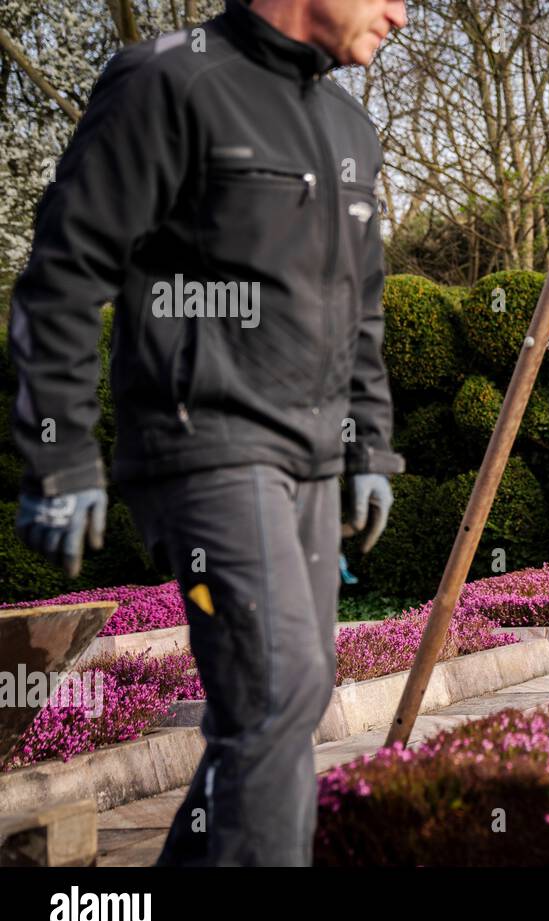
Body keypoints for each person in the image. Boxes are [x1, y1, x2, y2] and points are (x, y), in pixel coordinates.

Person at [7, 0, 408, 865]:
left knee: (276, 708)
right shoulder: (170, 81)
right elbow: (65, 273)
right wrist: (61, 454)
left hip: (307, 462)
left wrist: (368, 444)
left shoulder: (349, 125)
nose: (401, 16)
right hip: (203, 449)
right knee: (277, 688)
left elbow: (359, 310)